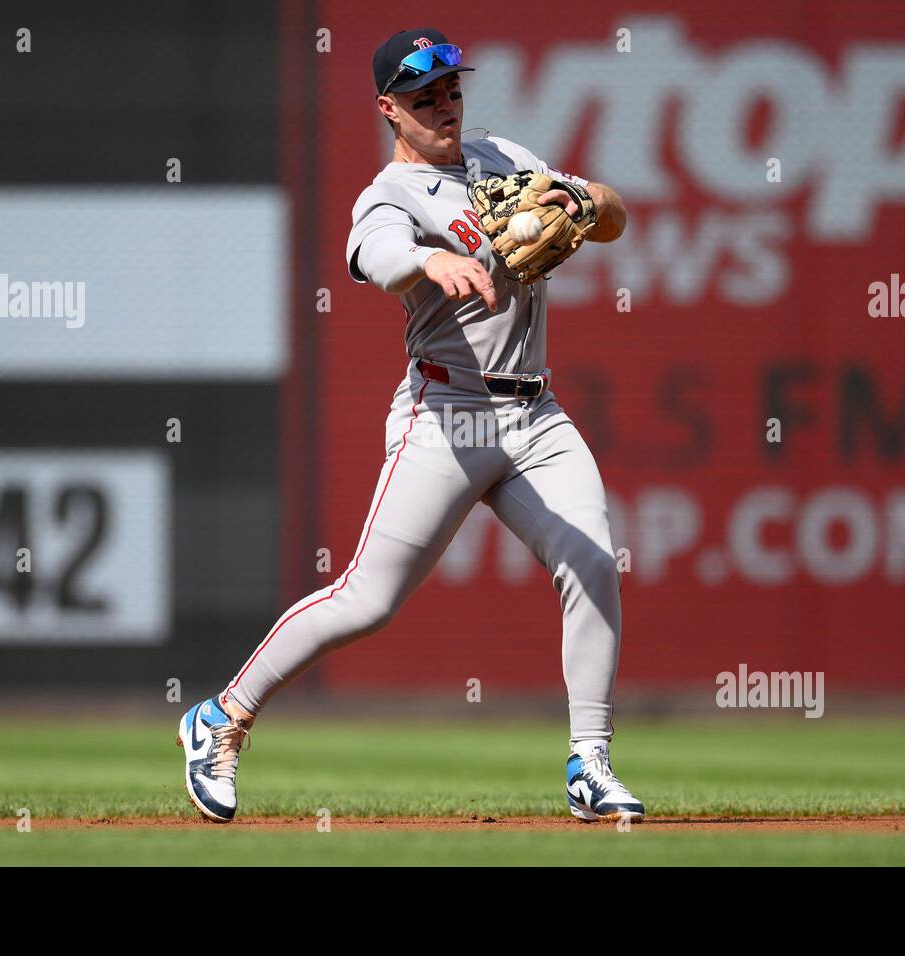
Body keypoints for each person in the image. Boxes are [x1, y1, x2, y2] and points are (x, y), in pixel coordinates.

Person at [177, 27, 644, 824]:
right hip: (449, 413)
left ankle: (590, 765)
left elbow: (614, 216)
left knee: (592, 562)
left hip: (535, 411)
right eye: (423, 94)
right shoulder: (387, 196)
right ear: (389, 108)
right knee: (367, 599)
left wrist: (584, 199)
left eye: (452, 88)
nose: (444, 103)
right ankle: (220, 718)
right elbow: (377, 256)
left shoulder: (507, 158)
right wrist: (433, 262)